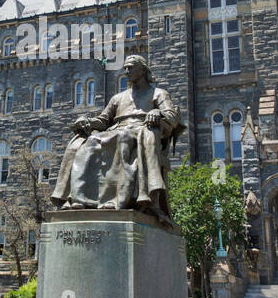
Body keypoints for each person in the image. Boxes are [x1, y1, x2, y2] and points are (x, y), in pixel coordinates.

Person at [49, 54, 184, 224]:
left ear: (142, 70)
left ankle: (114, 200)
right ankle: (79, 198)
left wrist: (157, 113)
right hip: (116, 130)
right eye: (125, 68)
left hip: (140, 130)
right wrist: (87, 122)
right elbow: (103, 120)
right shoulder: (118, 98)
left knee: (123, 137)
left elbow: (172, 116)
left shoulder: (158, 93)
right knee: (89, 142)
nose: (126, 71)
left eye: (131, 67)